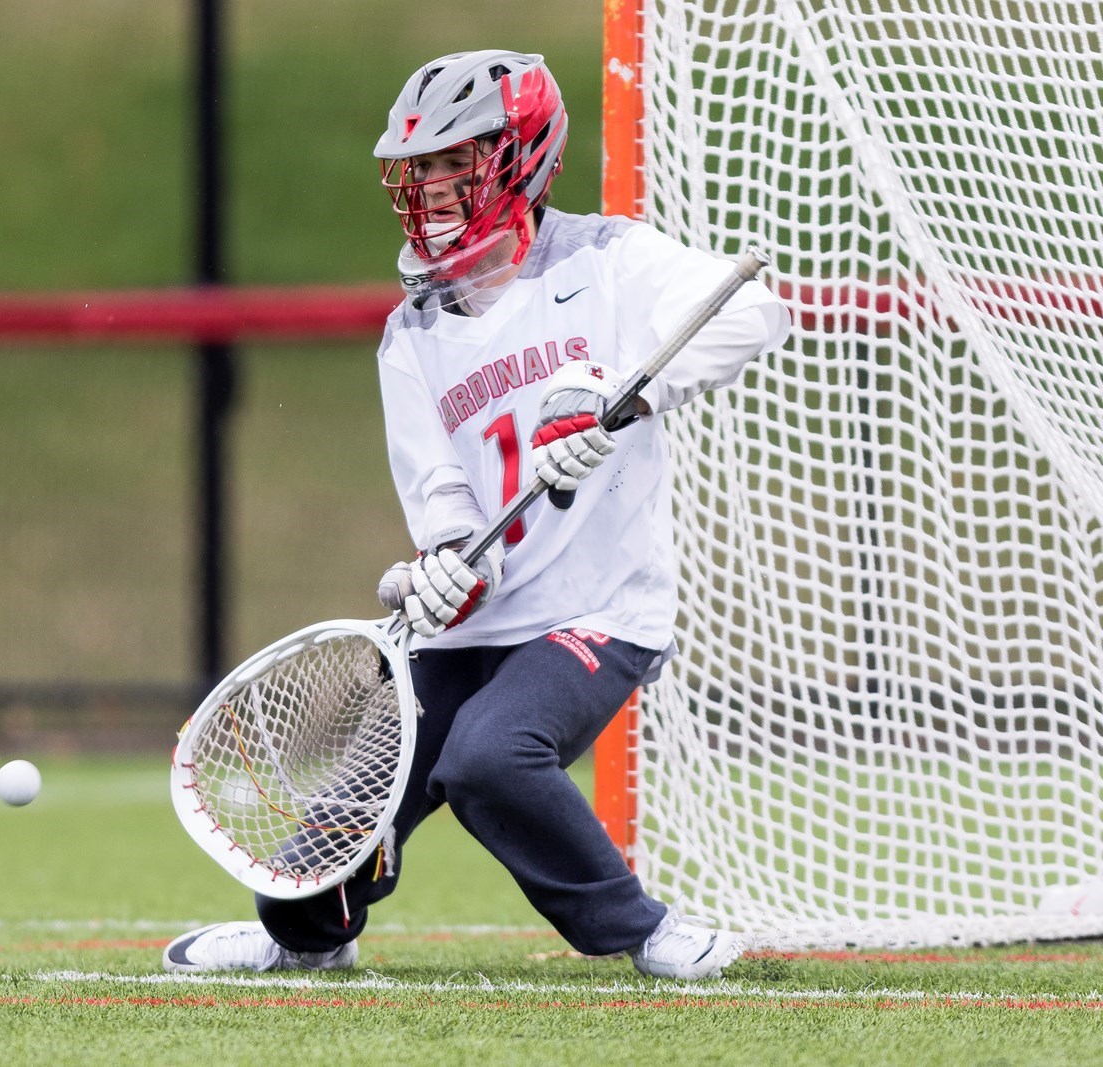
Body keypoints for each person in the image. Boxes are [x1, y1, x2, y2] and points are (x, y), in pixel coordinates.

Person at [163, 49, 790, 980]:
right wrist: (440, 569)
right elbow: (445, 506)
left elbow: (754, 316)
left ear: (524, 156)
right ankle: (306, 939)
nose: (434, 187)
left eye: (459, 160)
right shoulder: (410, 332)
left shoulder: (609, 260)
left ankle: (643, 927)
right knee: (316, 857)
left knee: (490, 758)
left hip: (596, 611)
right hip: (477, 624)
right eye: (420, 168)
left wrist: (617, 400)